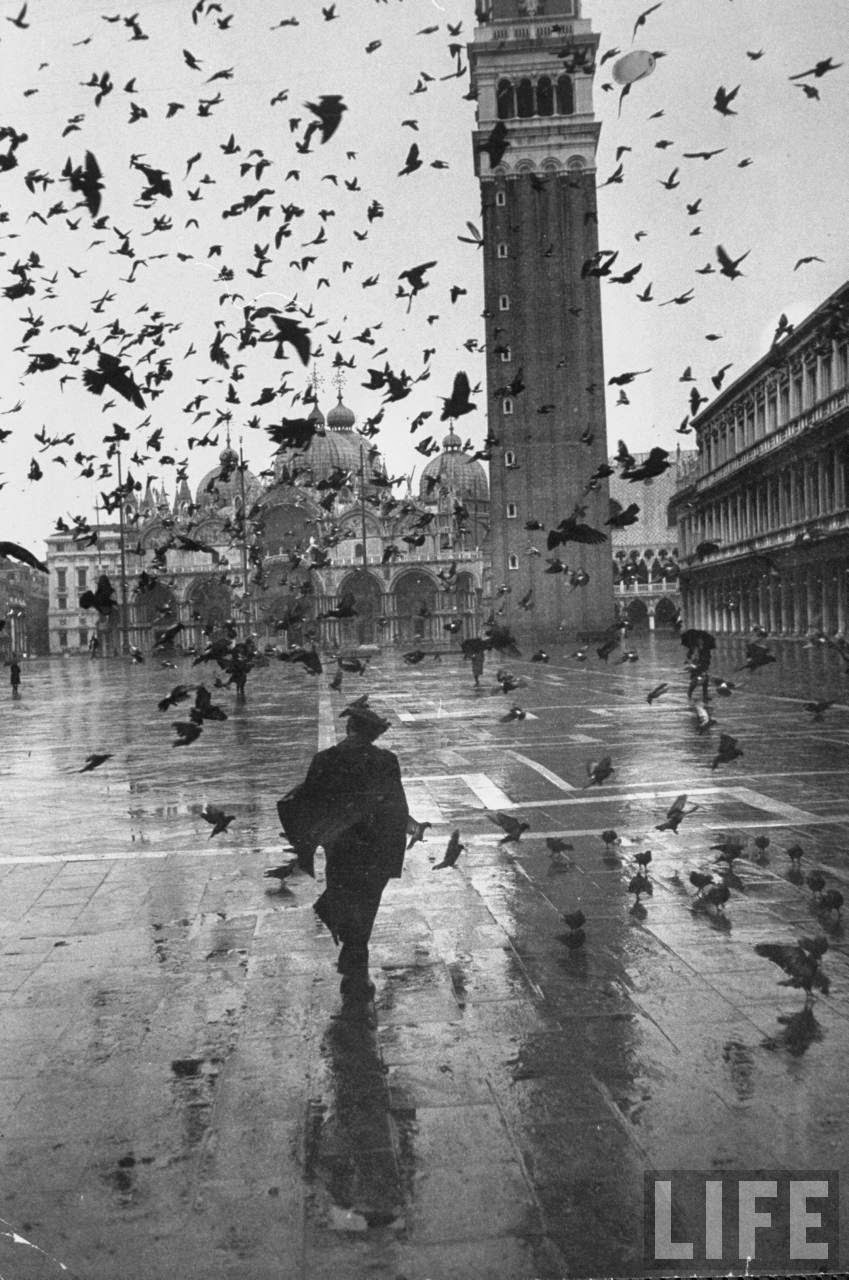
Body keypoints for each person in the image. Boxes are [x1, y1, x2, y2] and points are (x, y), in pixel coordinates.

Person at [291, 703, 409, 1001]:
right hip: (374, 849)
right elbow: (396, 808)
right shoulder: (385, 760)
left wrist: (313, 843)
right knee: (365, 906)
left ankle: (353, 963)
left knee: (343, 898)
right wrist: (394, 854)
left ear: (349, 728)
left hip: (340, 847)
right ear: (373, 734)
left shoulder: (324, 760)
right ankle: (356, 968)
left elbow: (309, 807)